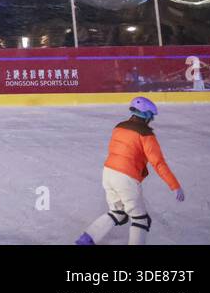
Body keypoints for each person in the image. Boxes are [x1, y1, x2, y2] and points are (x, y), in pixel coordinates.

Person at [76, 96, 184, 245]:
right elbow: (158, 163)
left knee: (118, 213)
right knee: (141, 219)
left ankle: (85, 240)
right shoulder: (146, 135)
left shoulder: (119, 127)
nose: (151, 120)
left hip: (108, 173)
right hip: (125, 178)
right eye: (151, 116)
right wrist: (175, 185)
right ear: (146, 115)